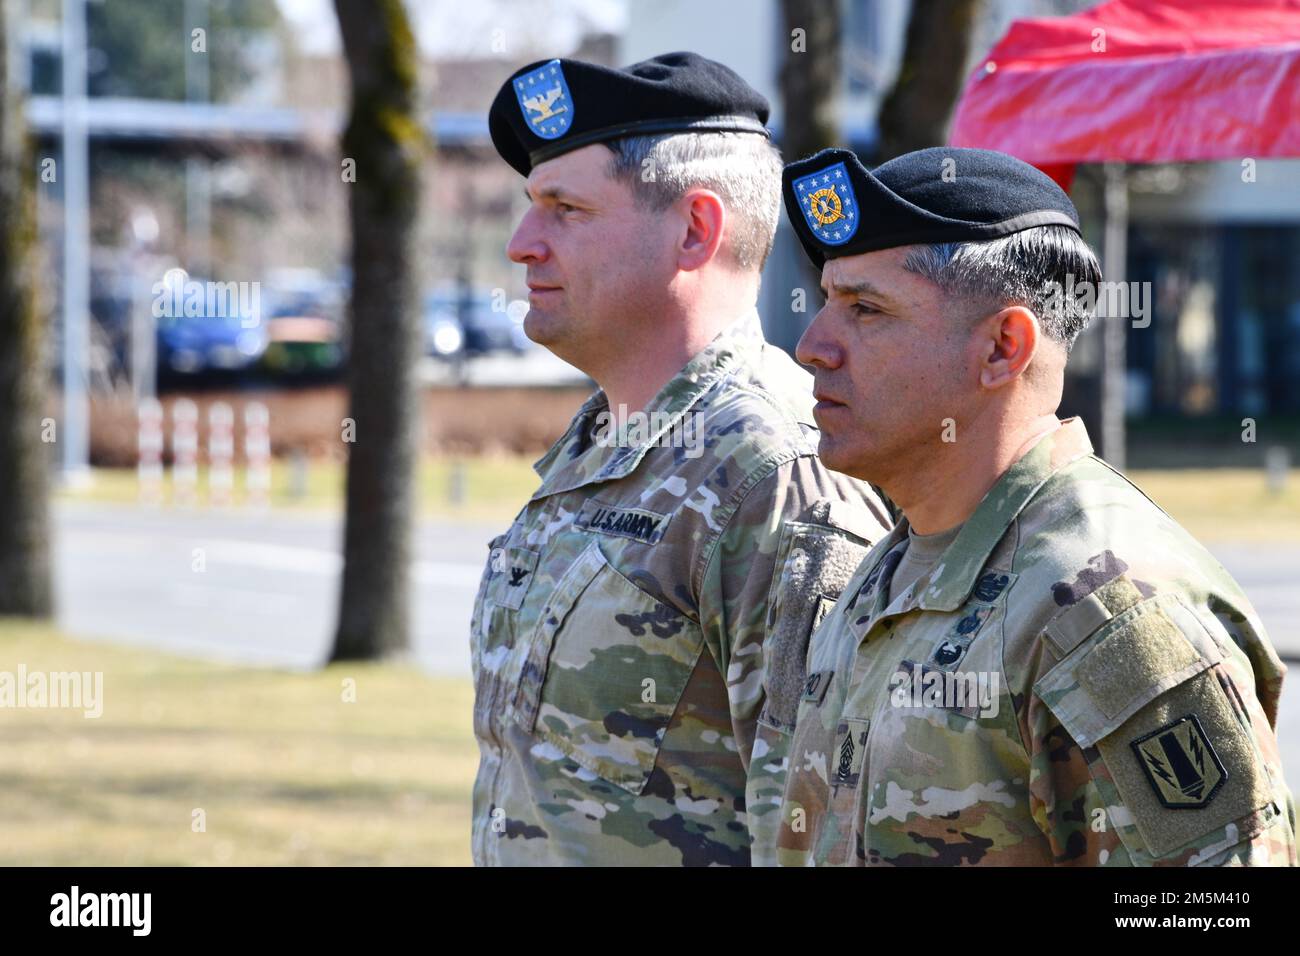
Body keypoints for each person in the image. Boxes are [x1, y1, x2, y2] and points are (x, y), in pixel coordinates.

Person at [773, 145, 1296, 866]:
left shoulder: (1107, 610)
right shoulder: (893, 566)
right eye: (827, 299)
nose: (811, 346)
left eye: (865, 309)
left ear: (1002, 348)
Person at [471, 52, 892, 865]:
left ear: (695, 230)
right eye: (531, 206)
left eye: (565, 208)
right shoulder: (599, 447)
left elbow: (815, 836)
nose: (523, 244)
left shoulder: (775, 478)